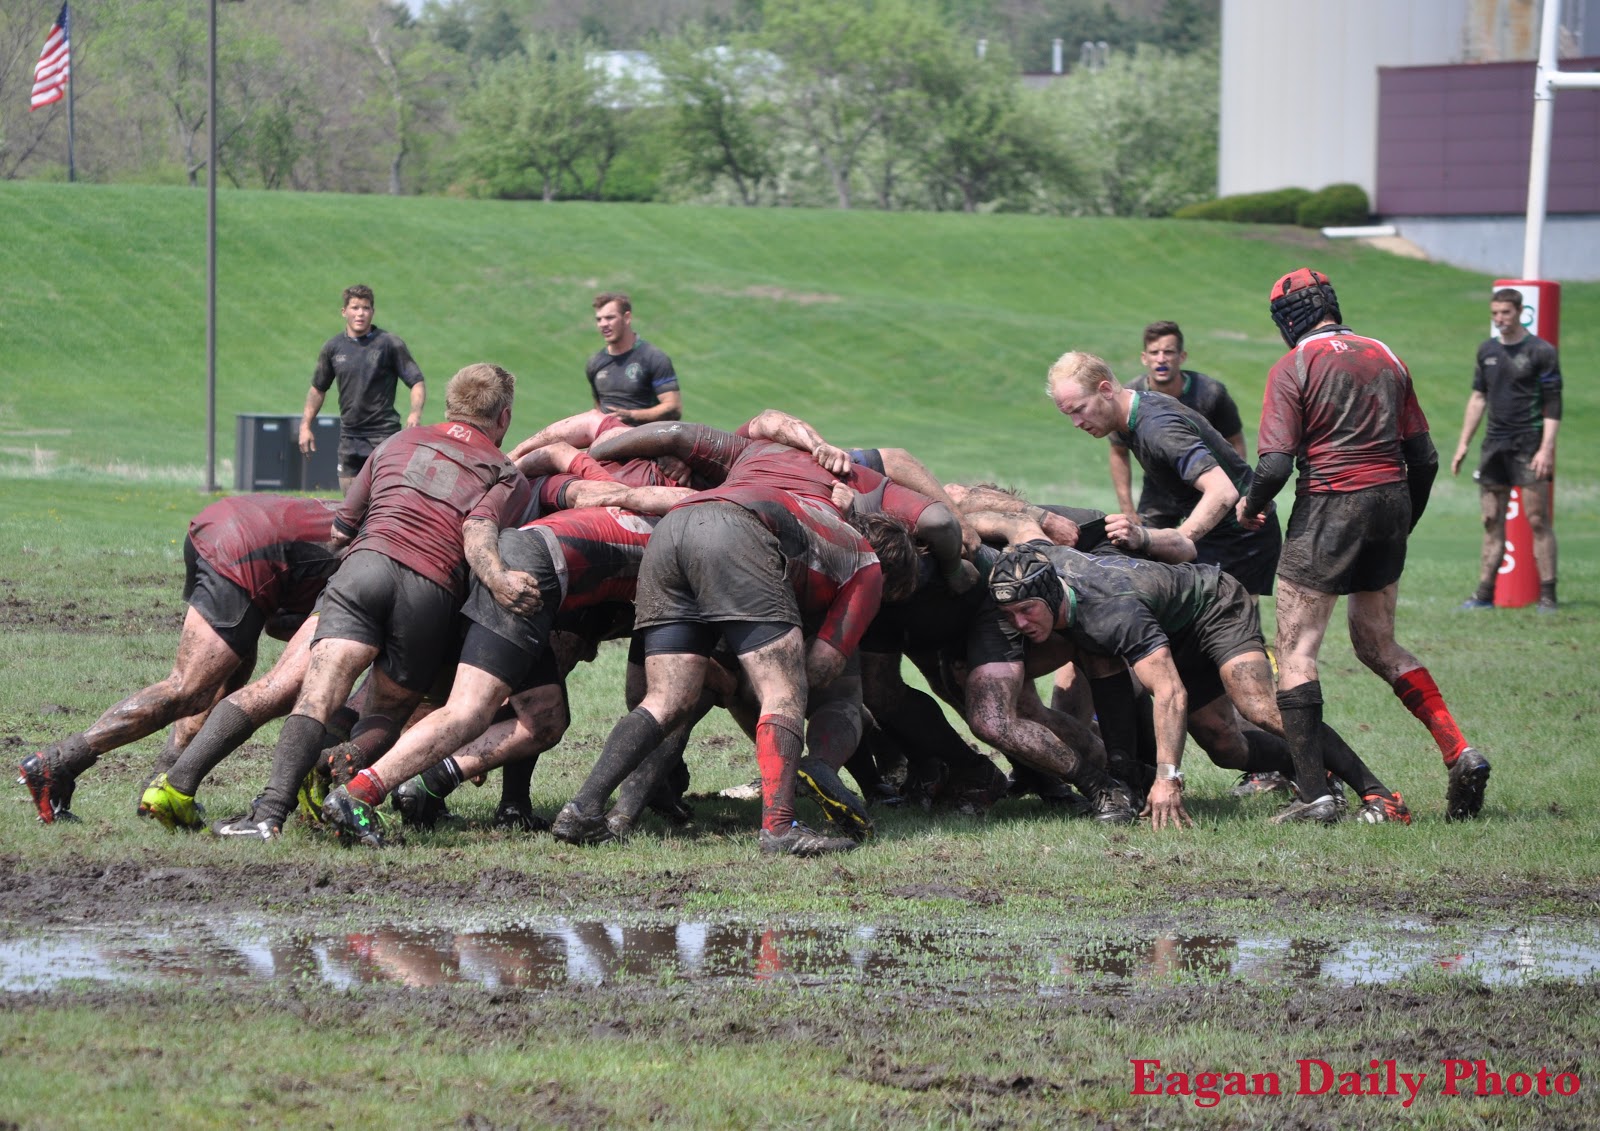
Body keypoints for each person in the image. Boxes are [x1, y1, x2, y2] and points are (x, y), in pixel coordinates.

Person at [213, 363, 533, 840]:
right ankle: (342, 788)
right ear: (503, 418)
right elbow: (482, 536)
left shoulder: (395, 443)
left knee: (317, 695)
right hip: (431, 595)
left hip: (364, 571)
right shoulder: (508, 473)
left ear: (449, 407)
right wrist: (501, 581)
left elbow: (342, 529)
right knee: (389, 711)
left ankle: (268, 813)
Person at [1237, 268, 1489, 822]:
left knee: (1298, 654)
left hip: (1330, 504)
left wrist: (1252, 504)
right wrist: (1404, 520)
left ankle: (1316, 797)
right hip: (1391, 502)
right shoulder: (1385, 355)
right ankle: (1459, 749)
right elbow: (1423, 458)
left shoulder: (1293, 366)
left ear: (1288, 320)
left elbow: (1276, 463)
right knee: (1379, 644)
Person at [987, 542, 1408, 828]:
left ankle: (1379, 796)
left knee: (1257, 707)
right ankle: (1306, 773)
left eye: (1027, 611)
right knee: (1223, 744)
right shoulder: (1041, 573)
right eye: (1010, 616)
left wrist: (1168, 777)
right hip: (1164, 622)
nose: (1020, 625)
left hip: (1215, 604)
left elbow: (1170, 694)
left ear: (1052, 596)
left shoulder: (1111, 612)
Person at [18, 495, 340, 825]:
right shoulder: (376, 558)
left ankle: (161, 781)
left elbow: (281, 620)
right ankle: (59, 763)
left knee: (232, 670)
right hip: (244, 550)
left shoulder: (373, 525)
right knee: (188, 688)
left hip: (231, 526)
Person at [1050, 351, 1280, 598]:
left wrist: (1179, 540)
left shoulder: (1158, 428)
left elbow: (1222, 491)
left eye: (1080, 409)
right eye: (1069, 414)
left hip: (1239, 537)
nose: (1076, 422)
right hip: (1217, 532)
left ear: (1105, 390)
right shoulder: (1135, 410)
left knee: (1221, 629)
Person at [1451, 287, 1562, 613]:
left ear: (1519, 312)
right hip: (1493, 448)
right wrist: (1463, 445)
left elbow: (1554, 405)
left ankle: (1548, 596)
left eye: (1506, 313)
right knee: (1490, 520)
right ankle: (1484, 594)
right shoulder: (1486, 351)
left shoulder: (1541, 351)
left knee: (1538, 520)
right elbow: (1478, 399)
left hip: (1528, 447)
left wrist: (1546, 449)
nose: (1500, 319)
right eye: (1495, 313)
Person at [1109, 321, 1246, 520]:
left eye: (1169, 352)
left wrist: (1239, 491)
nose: (1161, 359)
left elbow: (1235, 442)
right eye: (1154, 353)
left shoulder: (1210, 393)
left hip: (1206, 486)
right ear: (1144, 358)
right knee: (1144, 546)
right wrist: (1127, 510)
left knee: (1209, 548)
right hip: (1158, 491)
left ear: (1182, 357)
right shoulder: (1129, 398)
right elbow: (1118, 452)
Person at [299, 285, 427, 492]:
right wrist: (305, 426)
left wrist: (415, 413)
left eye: (366, 308)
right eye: (355, 307)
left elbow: (417, 382)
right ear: (344, 312)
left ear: (372, 312)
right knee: (350, 503)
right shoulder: (333, 348)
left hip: (383, 434)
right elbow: (317, 390)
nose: (360, 313)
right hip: (349, 436)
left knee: (383, 499)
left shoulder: (389, 344)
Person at [586, 292, 682, 425]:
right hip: (607, 441)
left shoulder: (654, 358)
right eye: (599, 319)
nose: (603, 324)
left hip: (644, 440)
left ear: (627, 318)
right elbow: (599, 406)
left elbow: (674, 408)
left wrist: (632, 415)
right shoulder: (595, 363)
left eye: (609, 318)